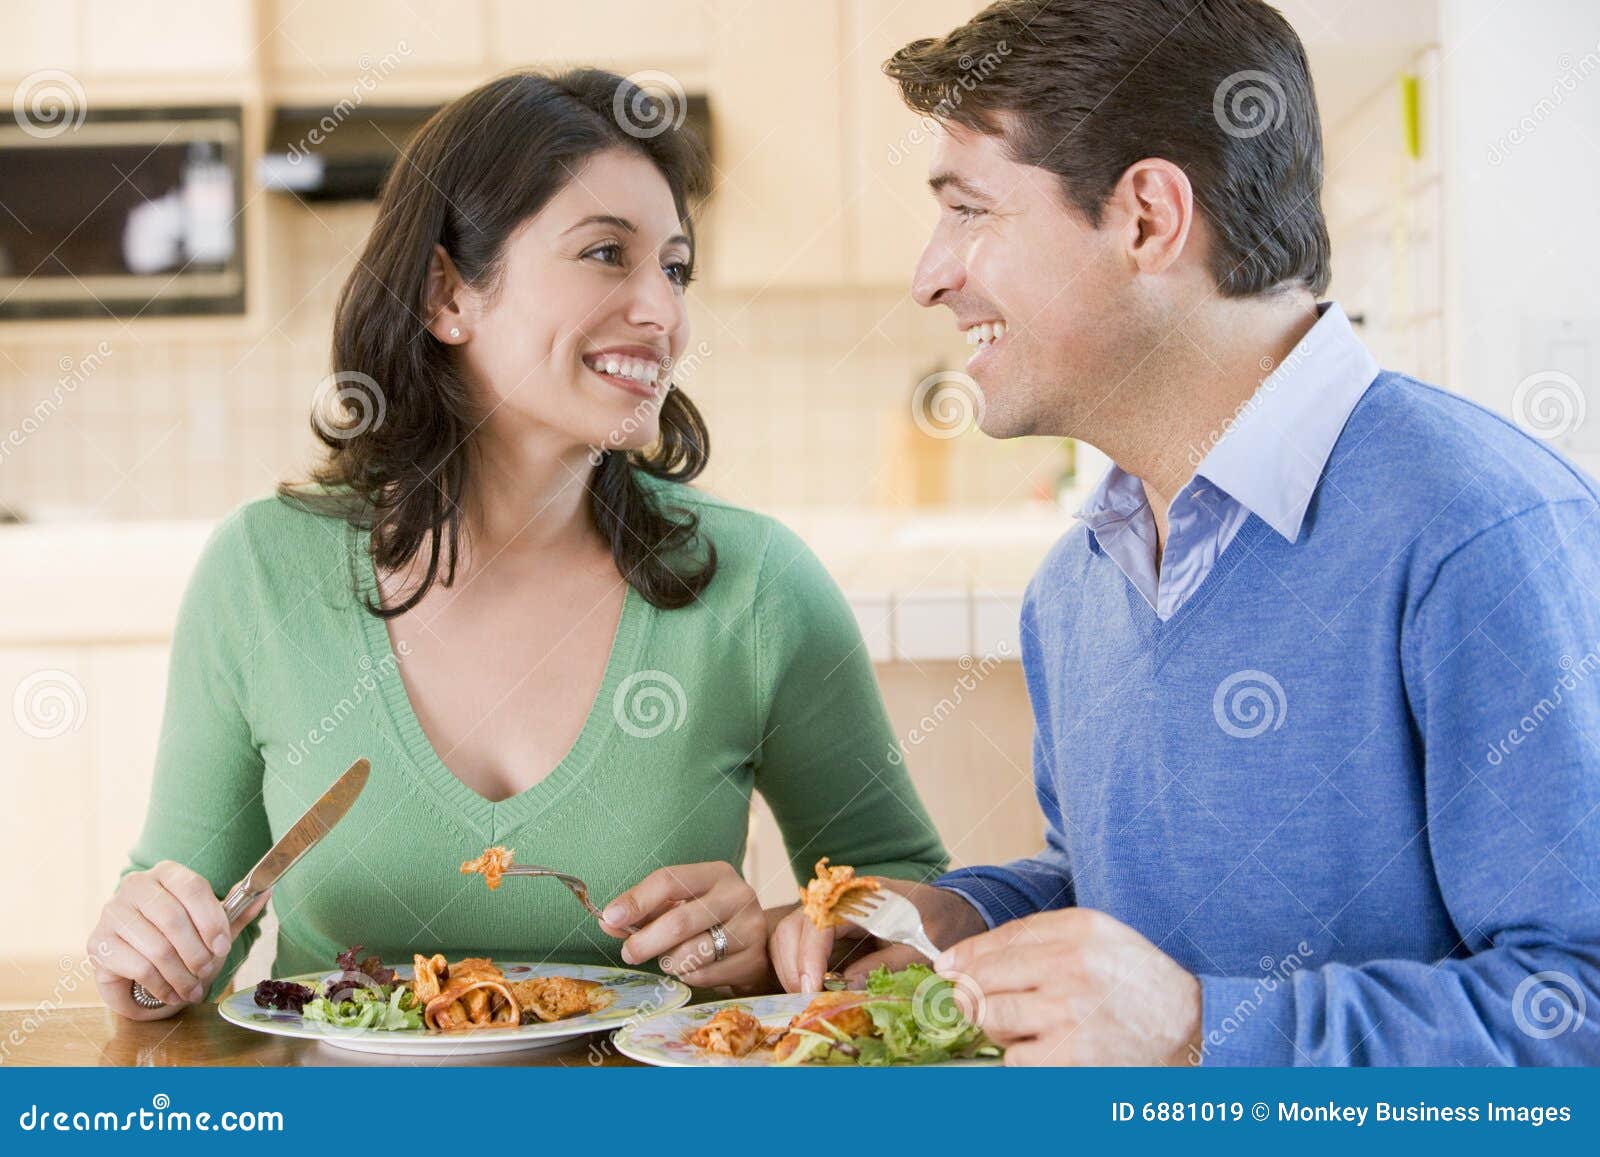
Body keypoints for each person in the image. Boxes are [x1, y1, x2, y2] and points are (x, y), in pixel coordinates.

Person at [772, 0, 1600, 1066]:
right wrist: (959, 918)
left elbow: (1577, 1004)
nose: (929, 274)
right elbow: (1124, 910)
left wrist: (1204, 1030)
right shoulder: (1078, 584)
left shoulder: (1479, 530)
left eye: (970, 211)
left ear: (1149, 219)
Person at [89, 69, 947, 1019]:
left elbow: (907, 902)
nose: (663, 313)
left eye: (673, 267)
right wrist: (149, 951)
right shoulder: (262, 573)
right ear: (446, 293)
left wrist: (777, 937)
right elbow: (180, 943)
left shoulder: (756, 586)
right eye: (605, 254)